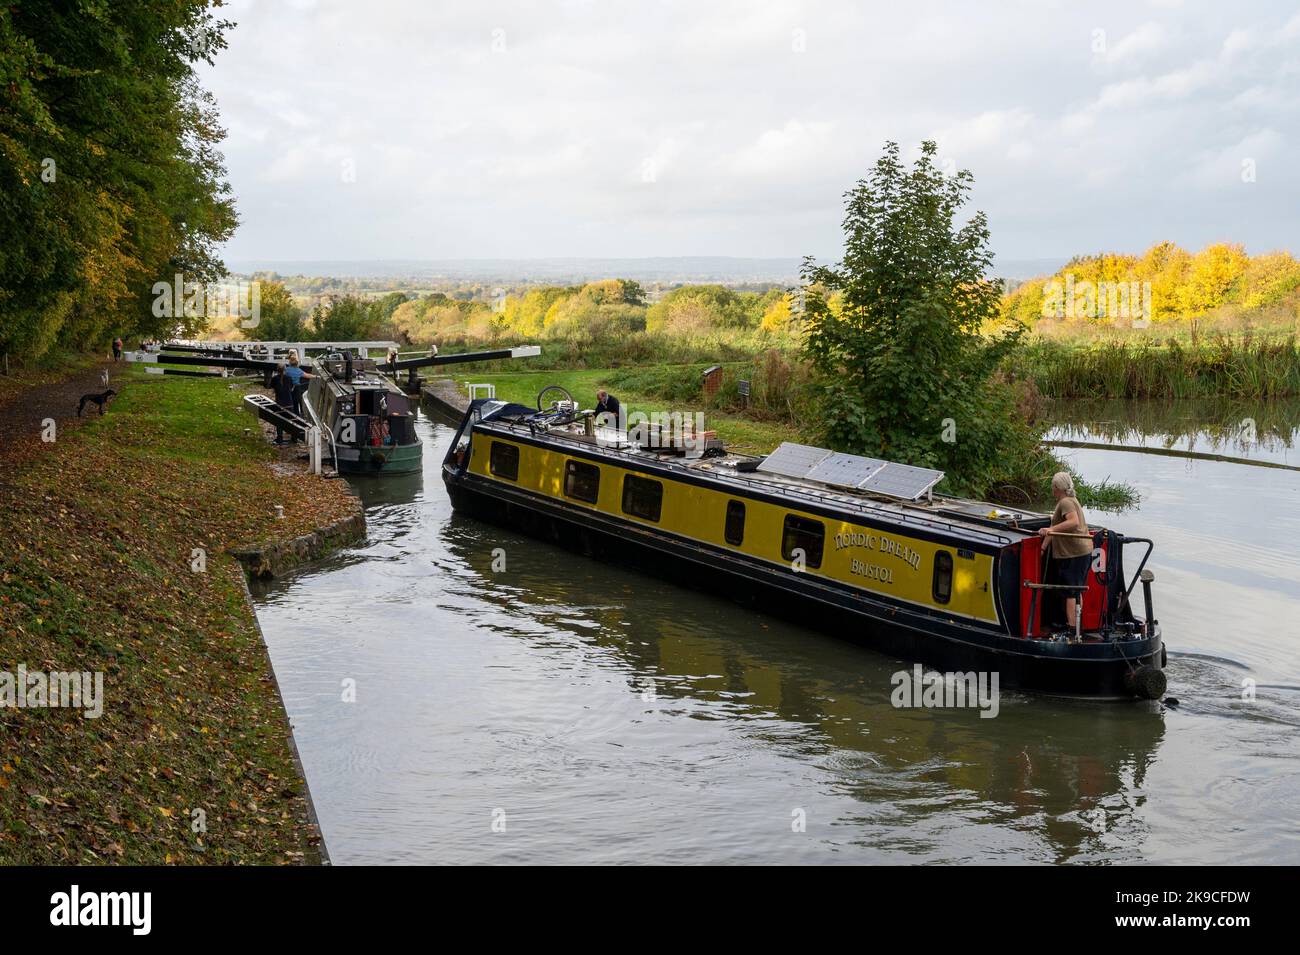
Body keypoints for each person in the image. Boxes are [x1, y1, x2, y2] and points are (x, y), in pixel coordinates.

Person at [1039, 471, 1092, 632]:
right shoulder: (1072, 500)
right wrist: (1043, 548)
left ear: (1056, 487)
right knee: (1077, 589)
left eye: (1052, 487)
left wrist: (1050, 529)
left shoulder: (1065, 503)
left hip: (1073, 553)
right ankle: (1077, 625)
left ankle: (1072, 629)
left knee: (1070, 592)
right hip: (1083, 550)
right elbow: (1053, 529)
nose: (1052, 490)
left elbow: (1073, 522)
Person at [283, 353, 314, 437]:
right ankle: (298, 422)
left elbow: (283, 376)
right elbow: (307, 375)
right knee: (297, 405)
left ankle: (289, 422)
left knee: (290, 405)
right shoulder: (299, 370)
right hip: (296, 389)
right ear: (297, 363)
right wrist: (316, 377)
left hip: (288, 389)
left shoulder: (287, 370)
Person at [271, 363, 296, 445]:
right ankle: (294, 438)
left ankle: (280, 438)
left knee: (279, 421)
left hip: (279, 403)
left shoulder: (274, 378)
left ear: (277, 370)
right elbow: (292, 389)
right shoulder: (289, 378)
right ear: (285, 370)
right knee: (291, 421)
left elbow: (272, 388)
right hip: (289, 402)